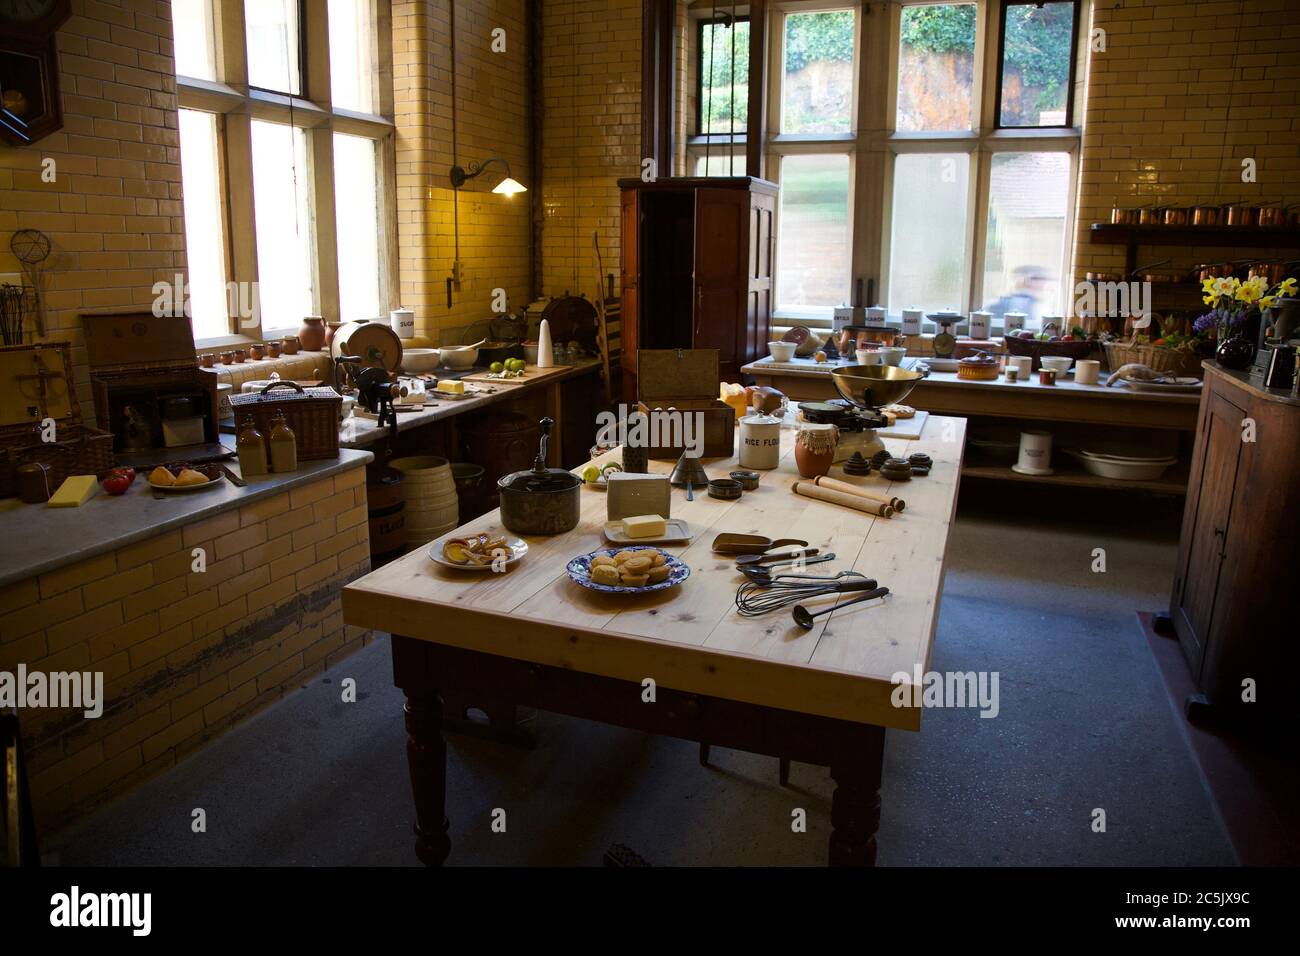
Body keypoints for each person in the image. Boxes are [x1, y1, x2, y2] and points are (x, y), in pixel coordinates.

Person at [982, 264, 1051, 326]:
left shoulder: (1038, 303)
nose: (1043, 283)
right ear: (1023, 279)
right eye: (1036, 279)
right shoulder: (1017, 302)